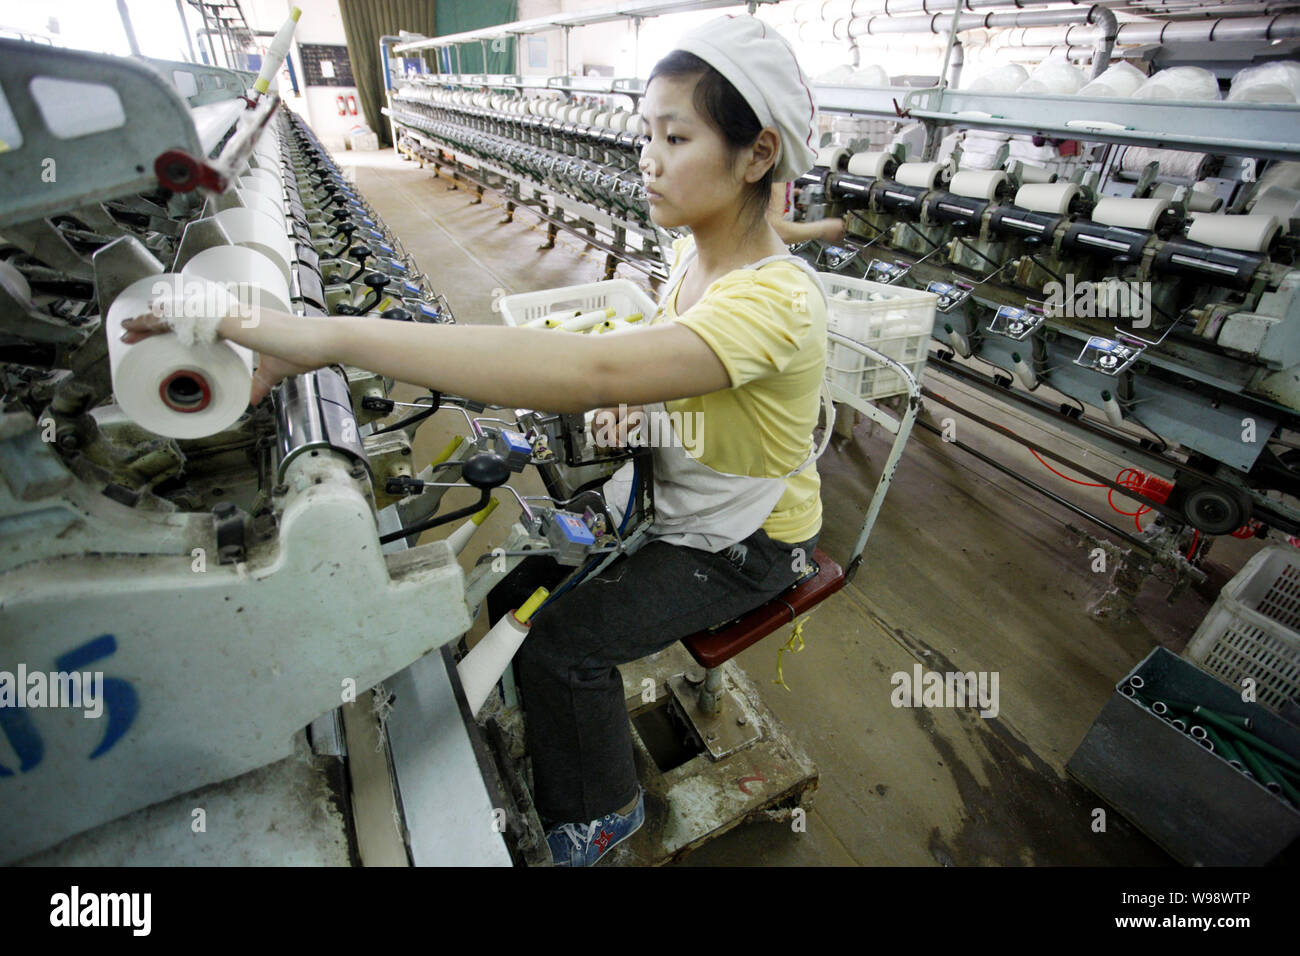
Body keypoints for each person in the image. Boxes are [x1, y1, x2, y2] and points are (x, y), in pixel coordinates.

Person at [122, 14, 830, 867]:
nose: (646, 156)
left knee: (566, 646)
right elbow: (678, 390)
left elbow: (599, 371)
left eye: (674, 136)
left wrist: (327, 335)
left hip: (747, 544)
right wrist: (644, 416)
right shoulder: (695, 258)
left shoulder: (776, 303)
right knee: (522, 577)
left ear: (757, 156)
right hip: (688, 500)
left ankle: (600, 819)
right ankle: (561, 746)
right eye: (644, 132)